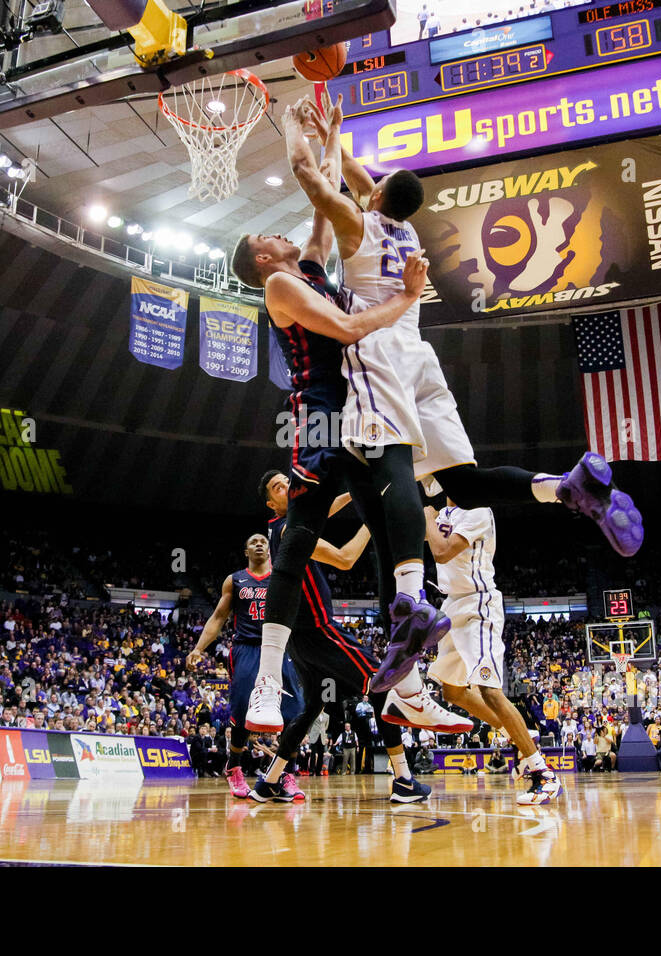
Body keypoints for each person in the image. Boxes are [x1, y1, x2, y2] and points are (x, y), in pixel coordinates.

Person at [288, 95, 644, 695]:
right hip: (421, 356)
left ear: (375, 197)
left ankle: (406, 603)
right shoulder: (403, 229)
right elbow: (355, 177)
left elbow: (312, 179)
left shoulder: (359, 225)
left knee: (391, 464)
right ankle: (564, 487)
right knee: (463, 481)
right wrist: (337, 136)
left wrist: (298, 131)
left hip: (379, 352)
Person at [228, 117, 436, 733]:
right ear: (264, 257)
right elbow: (347, 329)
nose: (279, 232)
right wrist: (404, 299)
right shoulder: (278, 283)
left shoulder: (312, 266)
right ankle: (267, 684)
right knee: (298, 538)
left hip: (357, 408)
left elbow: (326, 202)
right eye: (267, 233)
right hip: (316, 414)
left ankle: (408, 684)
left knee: (384, 528)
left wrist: (332, 133)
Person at [250, 471, 465, 803]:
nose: (288, 489)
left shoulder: (284, 526)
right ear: (271, 503)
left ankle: (270, 781)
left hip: (300, 641)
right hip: (321, 633)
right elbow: (346, 558)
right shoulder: (288, 528)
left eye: (288, 483)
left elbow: (321, 510)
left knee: (310, 708)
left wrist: (353, 494)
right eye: (279, 487)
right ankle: (404, 780)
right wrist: (373, 521)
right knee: (384, 685)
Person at [422, 499, 560, 803]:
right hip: (451, 605)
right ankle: (516, 734)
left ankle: (542, 773)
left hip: (478, 605)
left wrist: (427, 517)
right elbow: (417, 535)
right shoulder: (445, 513)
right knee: (453, 693)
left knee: (489, 690)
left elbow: (442, 551)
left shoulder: (479, 510)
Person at [186, 534, 304, 799]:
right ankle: (235, 767)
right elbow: (218, 617)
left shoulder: (282, 577)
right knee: (243, 712)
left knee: (293, 714)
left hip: (280, 647)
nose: (259, 544)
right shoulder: (235, 580)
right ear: (246, 550)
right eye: (253, 541)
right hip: (247, 648)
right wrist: (198, 648)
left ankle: (286, 774)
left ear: (271, 549)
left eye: (263, 540)